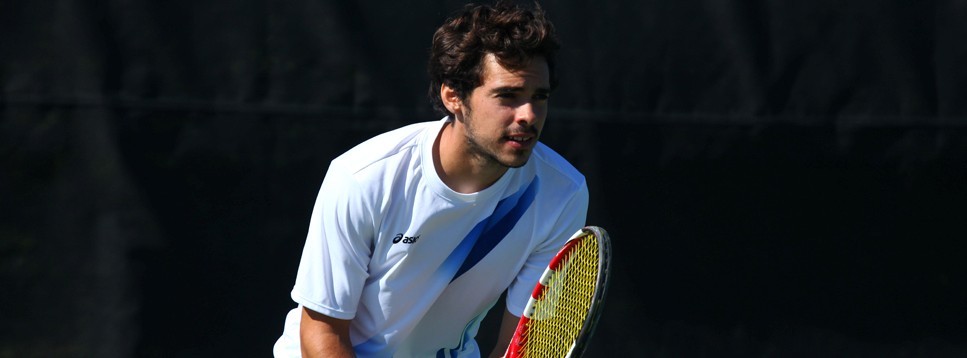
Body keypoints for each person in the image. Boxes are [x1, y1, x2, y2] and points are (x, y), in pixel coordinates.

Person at [273, 2, 589, 357]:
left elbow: (520, 345)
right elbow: (322, 332)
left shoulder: (562, 193)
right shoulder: (364, 178)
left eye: (539, 98)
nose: (529, 115)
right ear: (453, 96)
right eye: (508, 96)